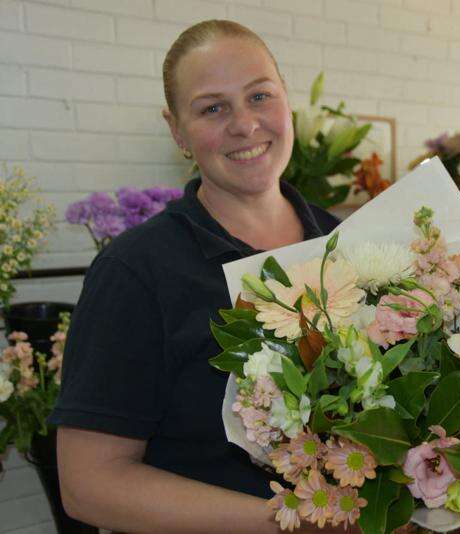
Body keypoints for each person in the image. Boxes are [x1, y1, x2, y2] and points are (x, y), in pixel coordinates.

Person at [49, 20, 339, 533]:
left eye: (259, 96)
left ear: (287, 101)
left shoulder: (347, 243)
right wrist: (287, 524)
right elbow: (88, 484)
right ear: (177, 131)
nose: (245, 125)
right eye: (213, 107)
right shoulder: (135, 271)